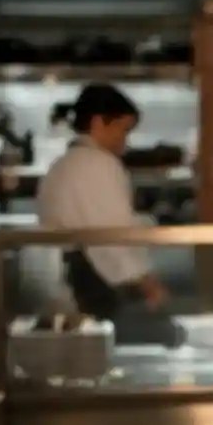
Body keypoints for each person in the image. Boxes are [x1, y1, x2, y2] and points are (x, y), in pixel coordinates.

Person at [37, 84, 170, 326]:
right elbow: (112, 237)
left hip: (72, 283)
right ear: (99, 123)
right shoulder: (98, 164)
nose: (125, 141)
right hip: (101, 286)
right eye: (124, 130)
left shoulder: (61, 164)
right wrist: (148, 283)